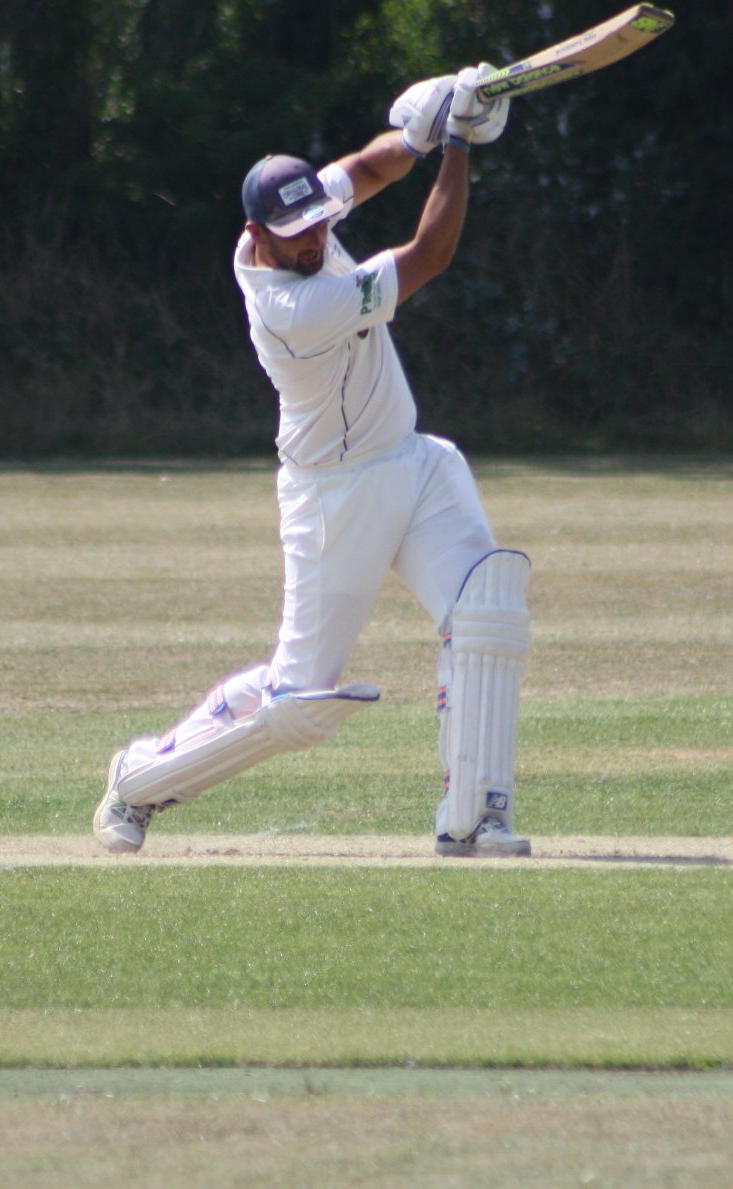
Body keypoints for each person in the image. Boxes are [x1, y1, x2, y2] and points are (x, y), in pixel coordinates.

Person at [94, 66, 534, 856]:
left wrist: (421, 131)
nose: (313, 243)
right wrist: (461, 145)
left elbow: (366, 170)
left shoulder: (302, 213)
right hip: (336, 495)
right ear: (257, 236)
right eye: (294, 237)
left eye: (319, 228)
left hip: (412, 458)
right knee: (297, 705)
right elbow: (430, 254)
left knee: (487, 611)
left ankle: (475, 816)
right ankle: (138, 780)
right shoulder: (295, 307)